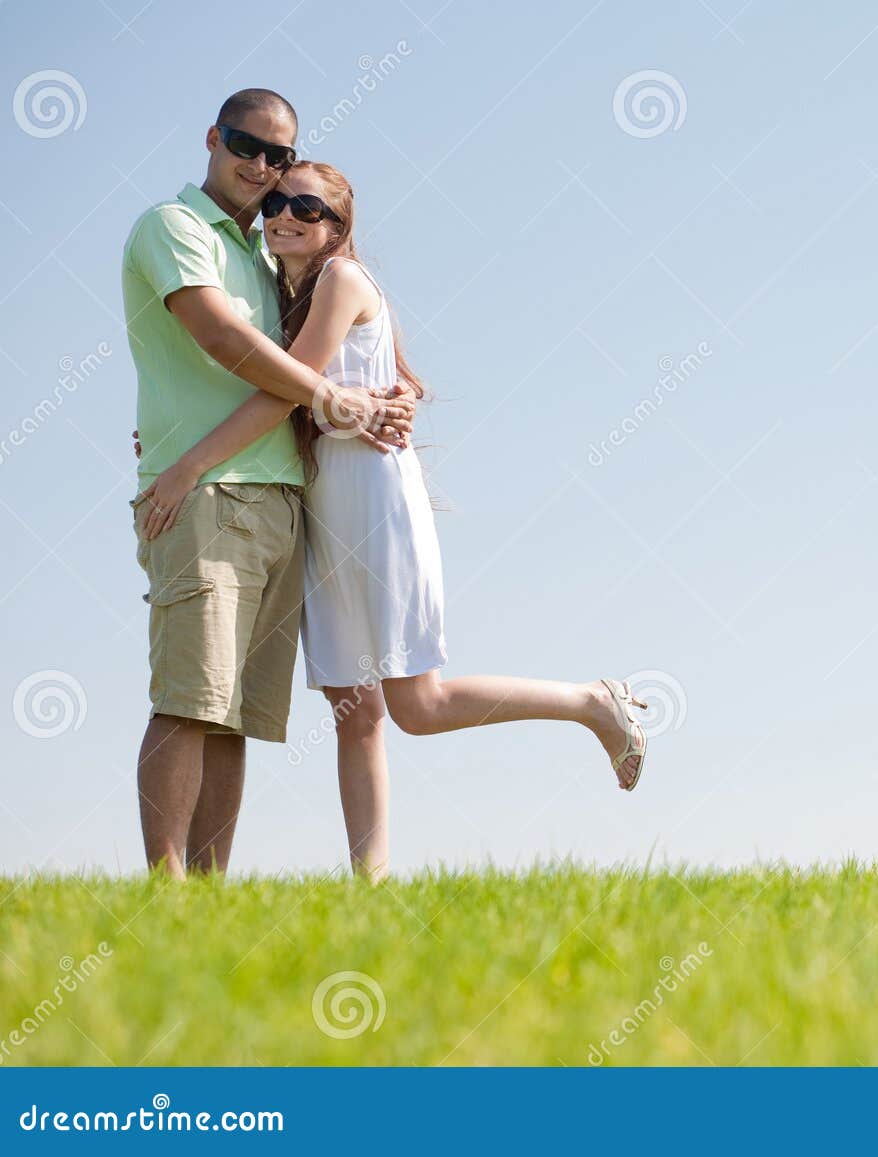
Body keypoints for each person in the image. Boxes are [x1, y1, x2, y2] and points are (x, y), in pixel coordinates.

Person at [139, 160, 650, 881]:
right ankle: (370, 886)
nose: (285, 213)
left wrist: (189, 460)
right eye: (279, 201)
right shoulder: (285, 286)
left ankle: (591, 702)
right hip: (322, 504)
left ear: (337, 227)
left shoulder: (342, 280)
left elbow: (286, 394)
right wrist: (174, 433)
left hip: (373, 500)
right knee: (356, 709)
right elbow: (269, 382)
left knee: (417, 701)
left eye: (307, 208)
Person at [122, 88, 414, 879]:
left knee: (235, 716)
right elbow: (220, 337)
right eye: (248, 147)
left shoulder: (266, 253)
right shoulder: (173, 228)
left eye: (280, 159)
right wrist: (328, 398)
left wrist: (384, 394)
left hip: (284, 501)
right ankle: (168, 897)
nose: (262, 168)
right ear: (213, 137)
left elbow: (321, 356)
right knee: (189, 698)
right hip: (202, 495)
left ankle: (210, 901)